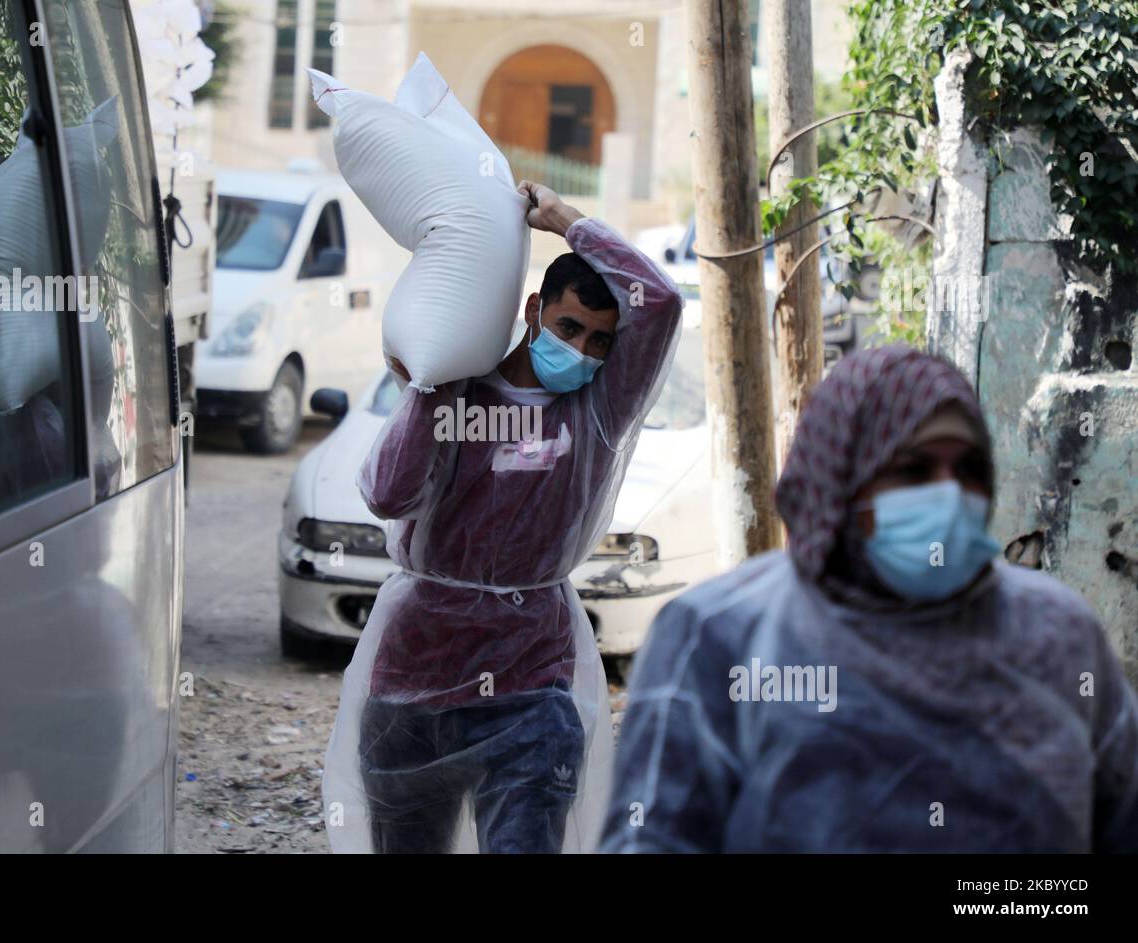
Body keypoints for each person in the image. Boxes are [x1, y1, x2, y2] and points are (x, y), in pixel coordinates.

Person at [601, 345, 1138, 853]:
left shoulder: (1060, 632)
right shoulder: (719, 636)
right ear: (841, 480)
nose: (948, 494)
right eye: (912, 470)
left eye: (968, 470)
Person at [322, 181, 683, 853]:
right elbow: (388, 495)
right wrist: (432, 391)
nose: (582, 351)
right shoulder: (456, 390)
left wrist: (569, 222)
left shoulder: (598, 409)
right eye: (569, 327)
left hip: (532, 679)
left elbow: (659, 302)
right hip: (416, 672)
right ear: (532, 311)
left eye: (601, 340)